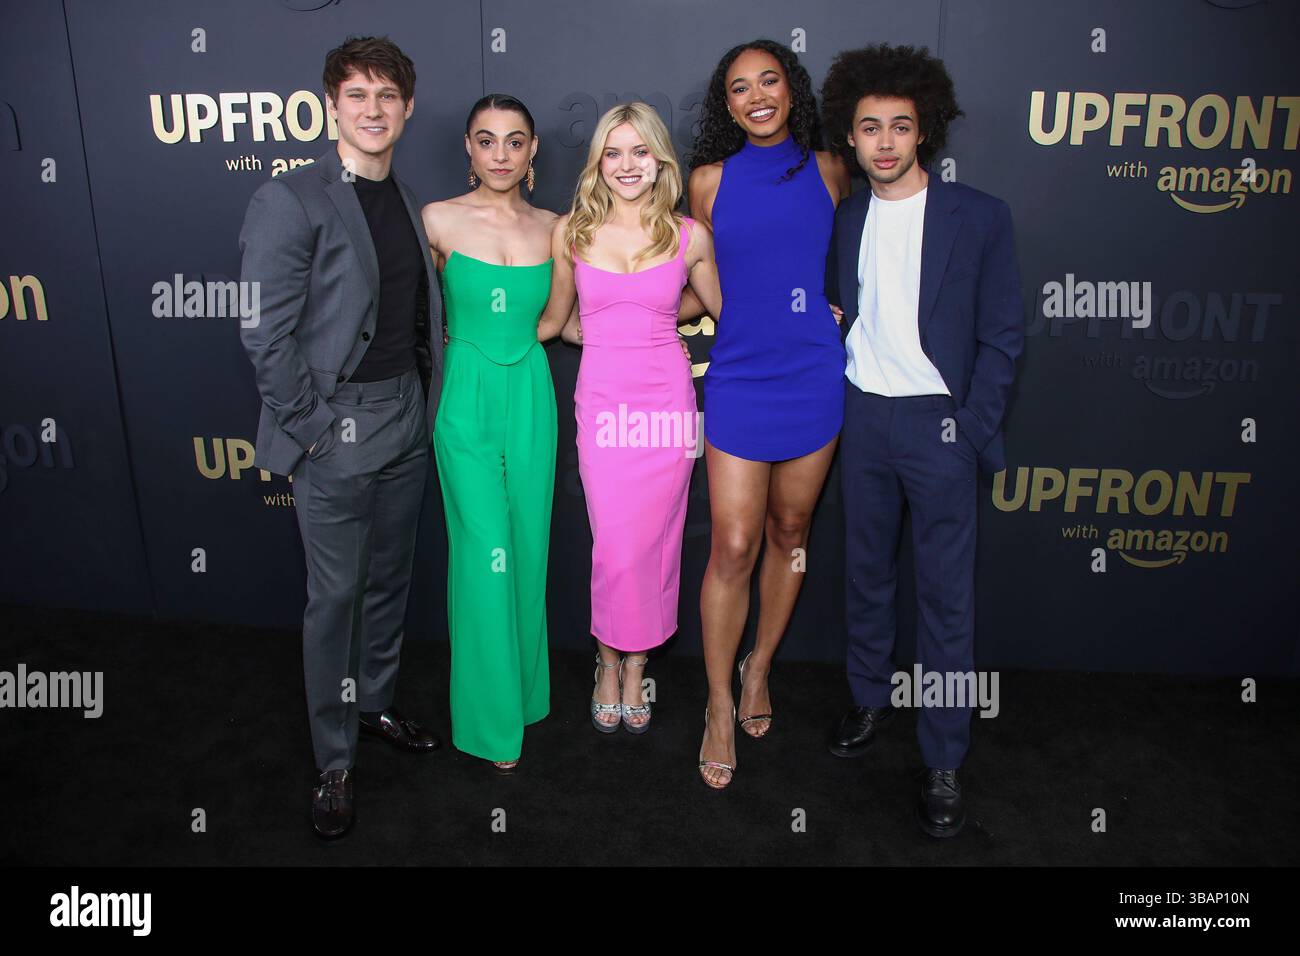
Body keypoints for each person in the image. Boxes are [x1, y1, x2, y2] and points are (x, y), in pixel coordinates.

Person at [239, 36, 442, 840]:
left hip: (405, 421)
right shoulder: (292, 200)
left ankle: (378, 705)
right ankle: (333, 758)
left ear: (408, 108)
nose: (372, 109)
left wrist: (420, 410)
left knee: (389, 582)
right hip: (338, 428)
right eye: (356, 94)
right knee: (336, 600)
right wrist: (317, 431)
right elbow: (263, 333)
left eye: (387, 96)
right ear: (331, 105)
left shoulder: (405, 197)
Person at [821, 43, 1023, 837]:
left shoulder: (980, 215)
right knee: (866, 578)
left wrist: (969, 432)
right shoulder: (848, 213)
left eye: (898, 127)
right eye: (868, 128)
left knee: (945, 602)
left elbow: (1005, 337)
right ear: (851, 134)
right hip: (865, 416)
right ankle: (870, 703)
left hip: (941, 425)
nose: (883, 142)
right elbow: (846, 306)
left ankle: (943, 754)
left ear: (925, 131)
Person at [684, 39, 850, 789]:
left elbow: (865, 250)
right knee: (734, 542)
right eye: (741, 87)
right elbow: (701, 275)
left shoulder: (829, 168)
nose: (757, 95)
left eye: (769, 81)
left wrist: (841, 308)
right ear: (728, 104)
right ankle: (719, 703)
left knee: (791, 531)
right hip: (742, 377)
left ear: (792, 89)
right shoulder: (708, 182)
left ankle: (759, 668)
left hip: (814, 374)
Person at [538, 102, 722, 739]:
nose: (626, 165)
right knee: (613, 538)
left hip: (667, 404)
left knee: (657, 536)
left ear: (659, 159)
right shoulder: (573, 233)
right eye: (613, 153)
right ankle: (606, 659)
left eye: (639, 151)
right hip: (605, 402)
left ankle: (635, 663)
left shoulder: (687, 235)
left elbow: (722, 306)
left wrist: (656, 320)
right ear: (598, 163)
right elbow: (559, 321)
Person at [421, 95, 558, 773]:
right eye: (486, 140)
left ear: (533, 151)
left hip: (531, 390)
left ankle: (527, 696)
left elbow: (572, 317)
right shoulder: (437, 221)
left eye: (514, 141)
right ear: (468, 150)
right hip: (466, 394)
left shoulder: (558, 229)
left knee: (528, 548)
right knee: (486, 550)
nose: (500, 154)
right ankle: (492, 722)